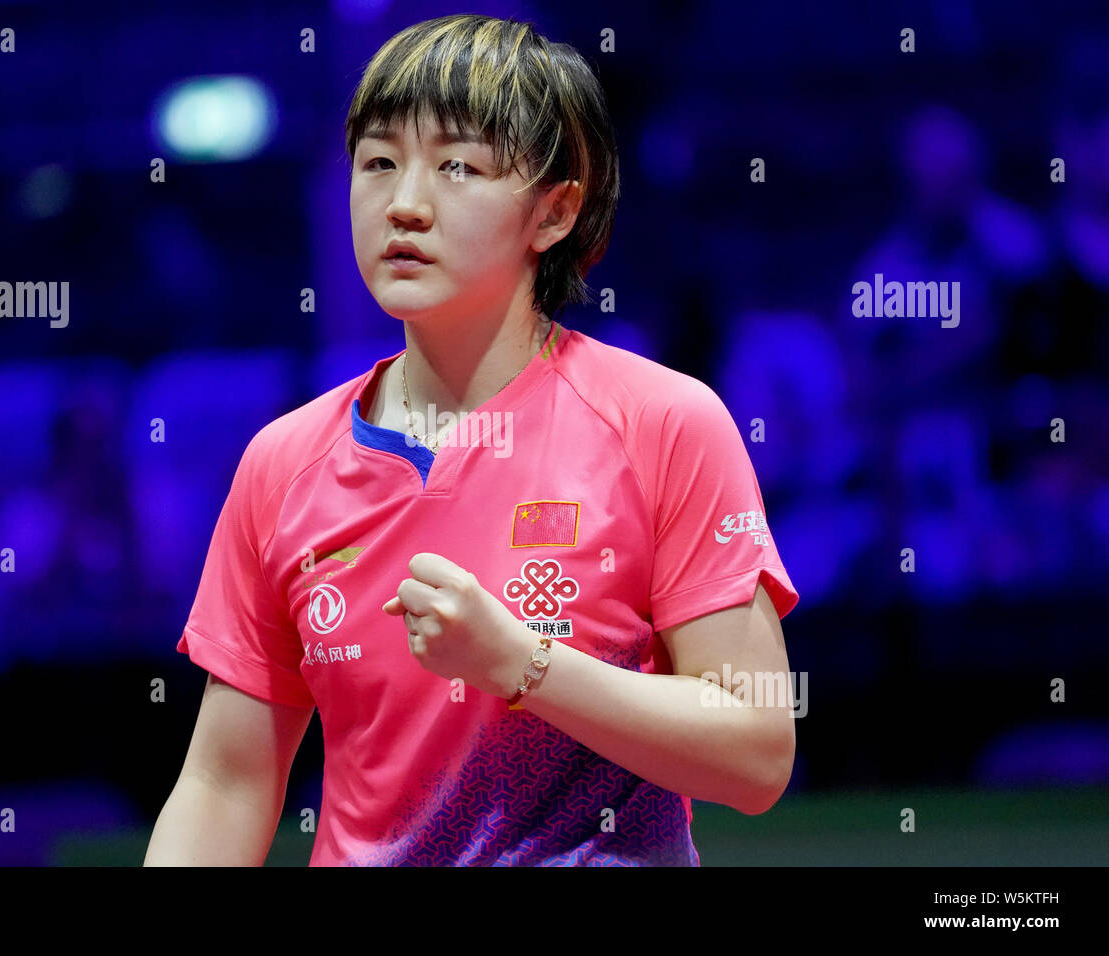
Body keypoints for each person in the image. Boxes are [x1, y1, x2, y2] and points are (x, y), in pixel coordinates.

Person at [145, 13, 799, 867]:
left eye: (456, 166)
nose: (404, 204)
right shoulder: (283, 464)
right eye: (378, 163)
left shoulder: (664, 424)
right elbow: (225, 785)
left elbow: (756, 752)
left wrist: (523, 664)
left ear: (554, 211)